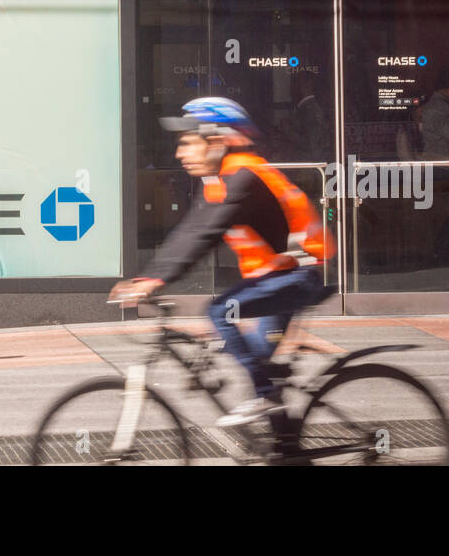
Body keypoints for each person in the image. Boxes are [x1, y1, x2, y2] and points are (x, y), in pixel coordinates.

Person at [110, 97, 329, 428]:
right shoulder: (223, 180)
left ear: (216, 140)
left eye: (187, 143)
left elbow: (202, 233)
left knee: (220, 313)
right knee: (254, 357)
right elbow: (193, 232)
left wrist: (152, 281)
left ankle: (265, 396)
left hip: (298, 275)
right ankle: (285, 443)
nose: (179, 153)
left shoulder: (243, 175)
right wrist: (152, 276)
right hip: (277, 278)